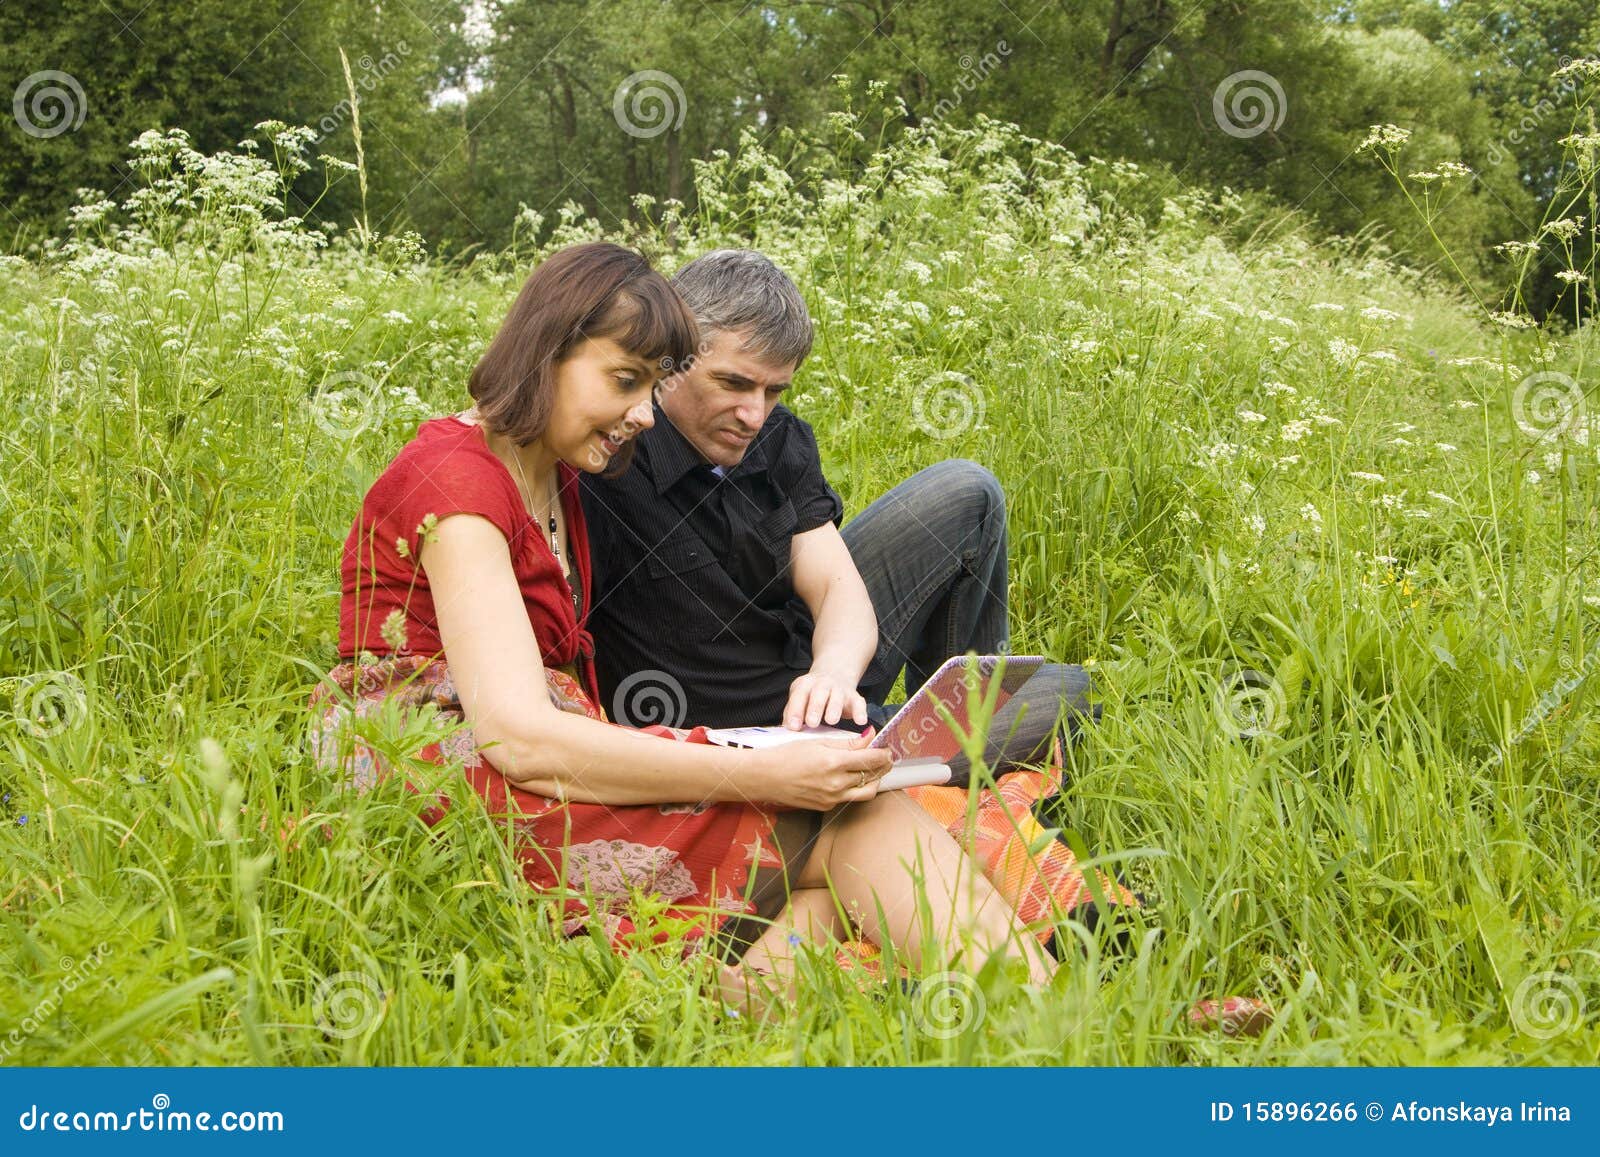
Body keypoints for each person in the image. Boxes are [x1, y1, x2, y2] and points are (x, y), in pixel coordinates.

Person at [310, 241, 1060, 1014]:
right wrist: (755, 771)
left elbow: (832, 580)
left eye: (649, 384)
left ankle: (745, 994)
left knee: (866, 814)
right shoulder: (464, 485)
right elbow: (518, 736)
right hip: (446, 773)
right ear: (547, 351)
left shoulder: (558, 468)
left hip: (525, 745)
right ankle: (1051, 1024)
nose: (642, 414)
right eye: (627, 382)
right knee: (847, 817)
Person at [579, 250, 1139, 954]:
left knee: (1052, 662)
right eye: (733, 383)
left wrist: (835, 671)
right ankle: (956, 790)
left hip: (819, 693)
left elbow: (837, 585)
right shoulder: (608, 457)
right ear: (673, 360)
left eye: (775, 390)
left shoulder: (774, 440)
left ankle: (931, 736)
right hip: (735, 742)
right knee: (1037, 712)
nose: (754, 413)